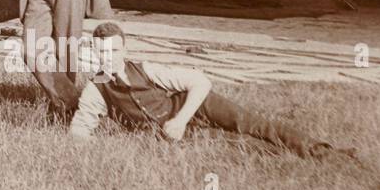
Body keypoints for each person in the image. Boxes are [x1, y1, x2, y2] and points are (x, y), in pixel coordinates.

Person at [71, 23, 357, 160]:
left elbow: (200, 81)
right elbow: (80, 130)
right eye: (102, 52)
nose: (108, 58)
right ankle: (304, 159)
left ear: (125, 49)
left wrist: (180, 119)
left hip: (192, 108)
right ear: (94, 52)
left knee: (252, 123)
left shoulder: (147, 68)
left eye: (114, 51)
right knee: (239, 144)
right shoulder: (96, 89)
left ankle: (321, 150)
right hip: (173, 135)